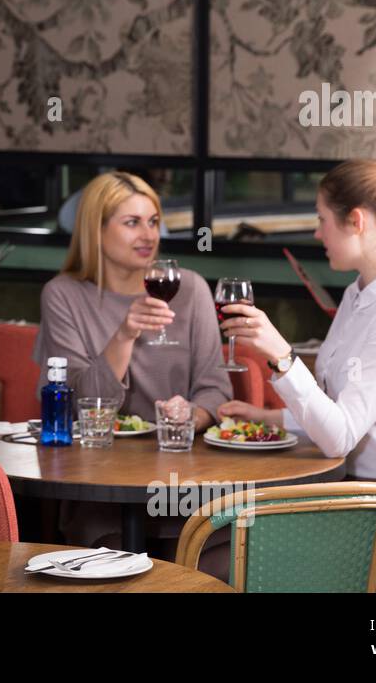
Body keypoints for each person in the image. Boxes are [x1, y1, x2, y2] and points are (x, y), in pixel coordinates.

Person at [218, 160, 376, 585]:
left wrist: (282, 357)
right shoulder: (360, 292)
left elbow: (340, 436)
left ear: (356, 221)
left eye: (321, 219)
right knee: (221, 545)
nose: (316, 232)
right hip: (358, 501)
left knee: (235, 563)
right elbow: (340, 411)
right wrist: (266, 418)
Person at [34, 171, 232, 547]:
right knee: (120, 568)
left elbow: (216, 389)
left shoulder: (189, 288)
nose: (148, 235)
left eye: (153, 222)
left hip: (184, 485)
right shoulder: (63, 295)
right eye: (132, 223)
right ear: (97, 228)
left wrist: (190, 414)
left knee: (220, 564)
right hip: (99, 485)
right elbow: (76, 403)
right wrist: (124, 334)